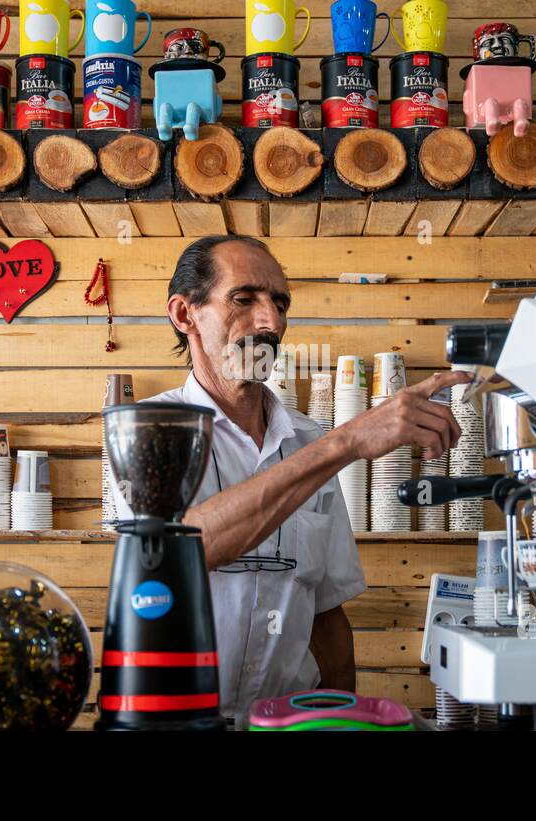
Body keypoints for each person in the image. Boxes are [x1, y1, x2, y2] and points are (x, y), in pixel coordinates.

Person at [112, 235, 470, 721]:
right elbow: (179, 552)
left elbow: (326, 613)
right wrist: (348, 442)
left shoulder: (309, 439)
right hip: (174, 719)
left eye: (279, 304)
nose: (271, 322)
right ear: (184, 314)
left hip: (286, 721)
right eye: (244, 299)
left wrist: (344, 719)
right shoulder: (147, 429)